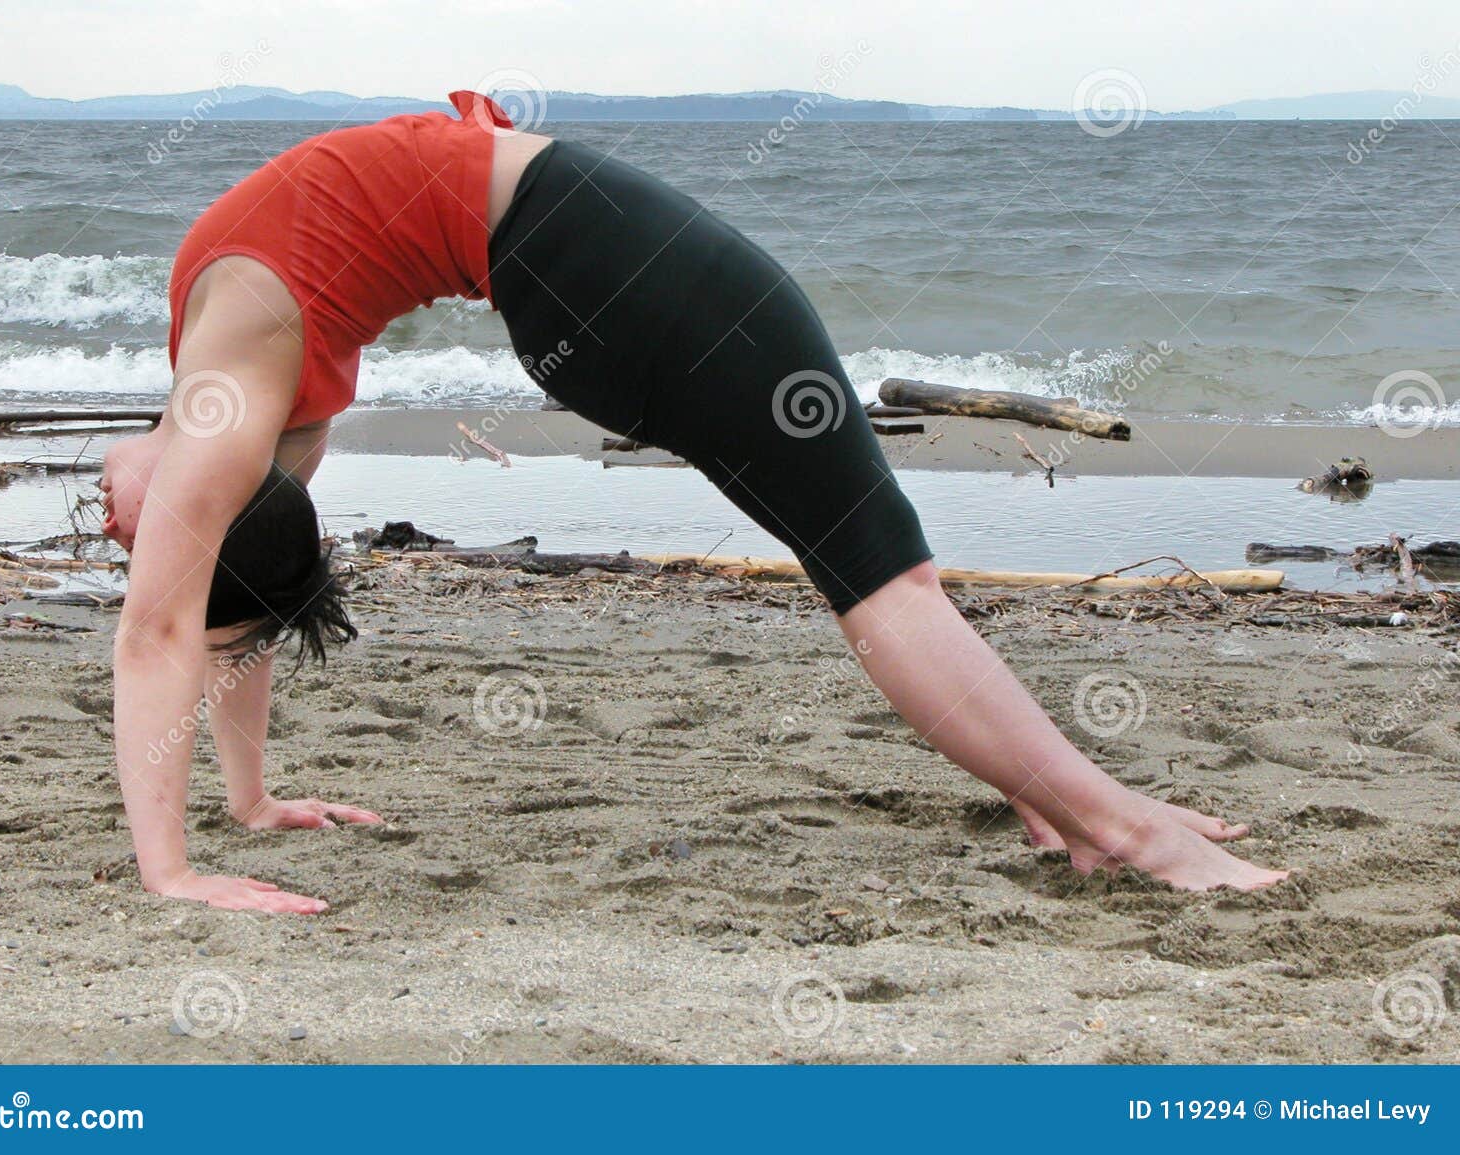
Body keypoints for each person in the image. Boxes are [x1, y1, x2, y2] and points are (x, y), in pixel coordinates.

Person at [101, 91, 1287, 914]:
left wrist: (249, 803)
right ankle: (1121, 828)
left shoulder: (251, 399)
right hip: (606, 279)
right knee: (881, 571)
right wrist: (173, 871)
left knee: (868, 559)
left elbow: (222, 610)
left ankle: (1063, 795)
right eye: (141, 532)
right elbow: (169, 627)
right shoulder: (232, 398)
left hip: (590, 280)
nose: (122, 528)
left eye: (131, 530)